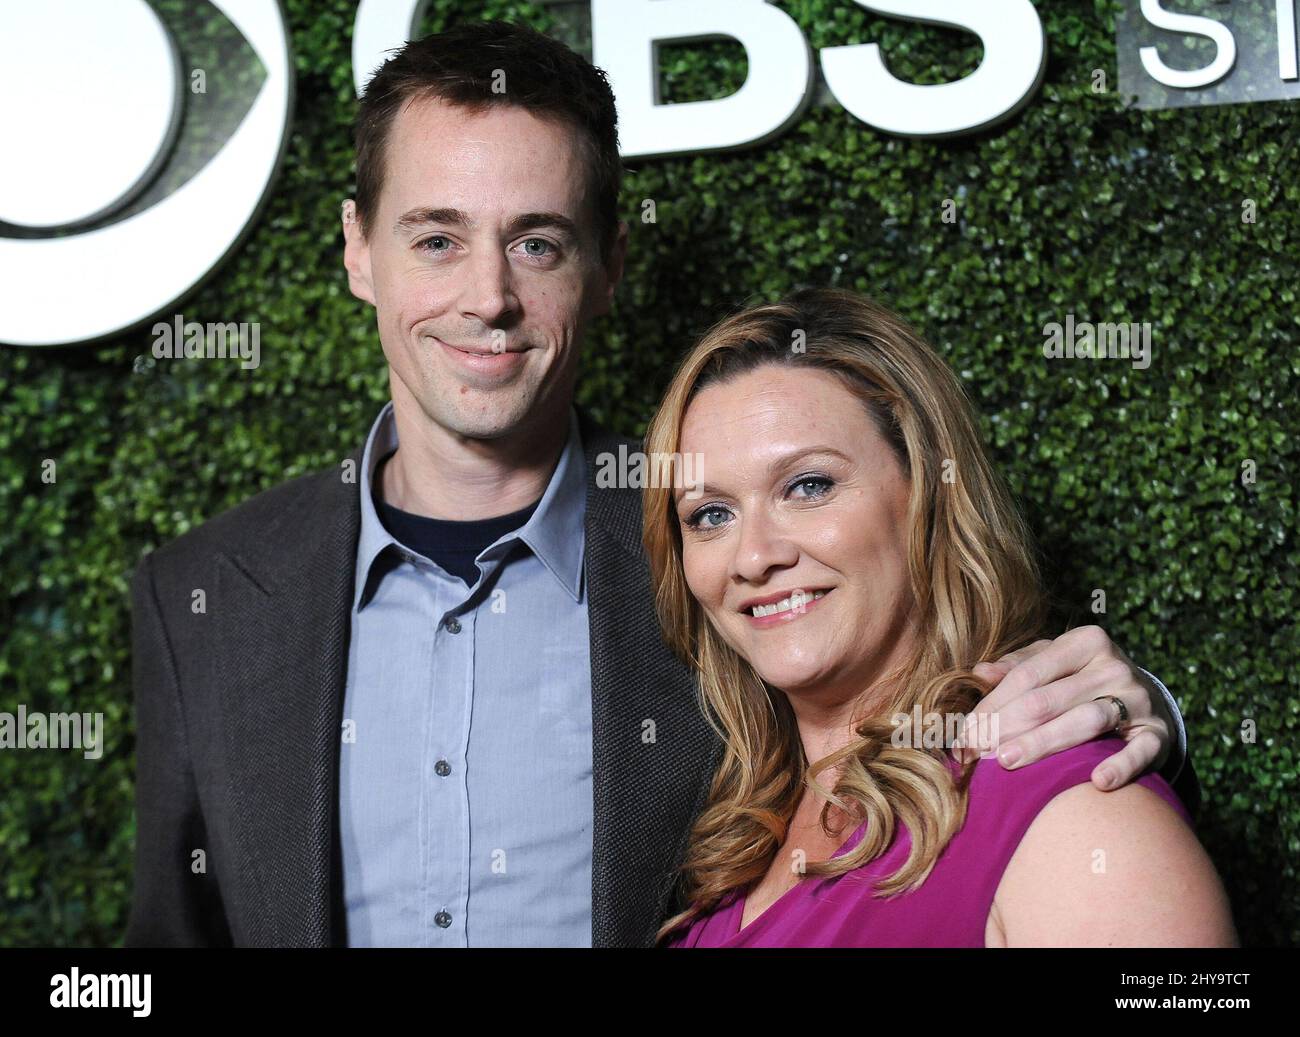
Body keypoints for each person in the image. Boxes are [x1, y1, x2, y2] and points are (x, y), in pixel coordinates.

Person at [126, 21, 1195, 948]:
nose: (487, 297)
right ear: (360, 252)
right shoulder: (207, 597)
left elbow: (905, 697)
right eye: (436, 238)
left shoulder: (704, 548)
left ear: (608, 265)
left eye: (536, 242)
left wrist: (1129, 718)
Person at [642, 288, 1235, 946]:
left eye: (808, 485)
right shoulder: (732, 842)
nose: (753, 556)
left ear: (926, 495)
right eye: (711, 514)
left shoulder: (1073, 809)